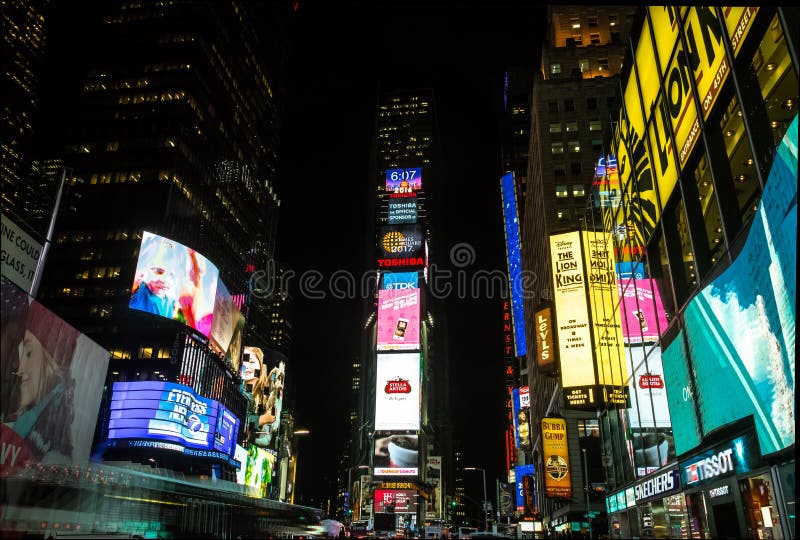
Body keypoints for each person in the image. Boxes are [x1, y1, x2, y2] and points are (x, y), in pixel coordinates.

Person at [2, 300, 77, 471]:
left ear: (51, 365)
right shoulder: (26, 425)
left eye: (28, 353)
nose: (19, 368)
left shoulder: (52, 457)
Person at [130, 235, 179, 318]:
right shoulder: (139, 294)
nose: (164, 280)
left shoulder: (170, 303)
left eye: (171, 275)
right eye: (158, 271)